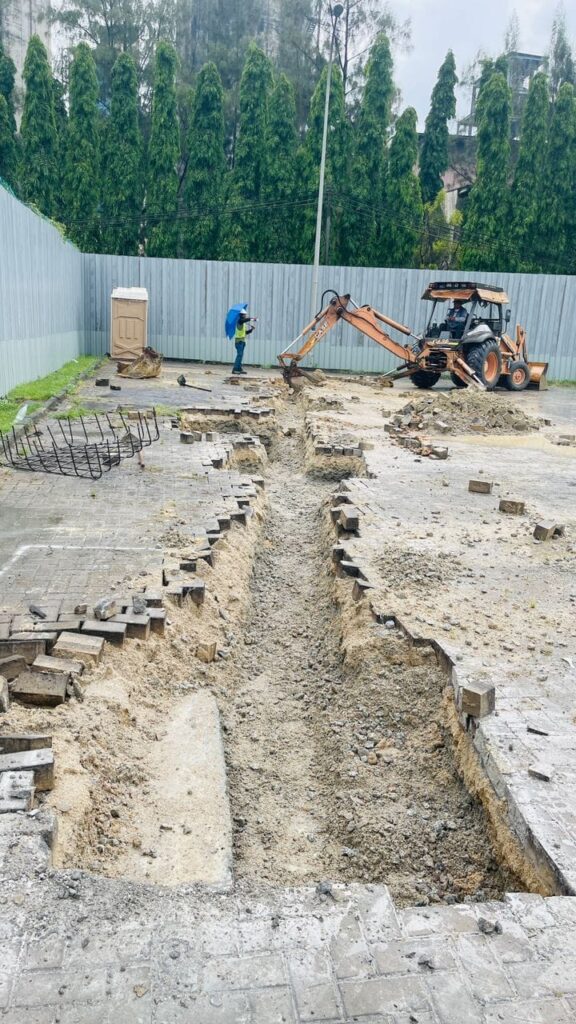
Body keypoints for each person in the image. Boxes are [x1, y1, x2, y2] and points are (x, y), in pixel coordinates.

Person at [232, 310, 256, 375]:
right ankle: (235, 369)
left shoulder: (243, 324)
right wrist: (252, 319)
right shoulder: (240, 321)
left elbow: (245, 333)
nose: (246, 316)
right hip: (239, 341)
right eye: (245, 315)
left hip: (242, 341)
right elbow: (244, 320)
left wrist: (251, 330)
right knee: (239, 355)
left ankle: (239, 369)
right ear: (242, 315)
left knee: (241, 355)